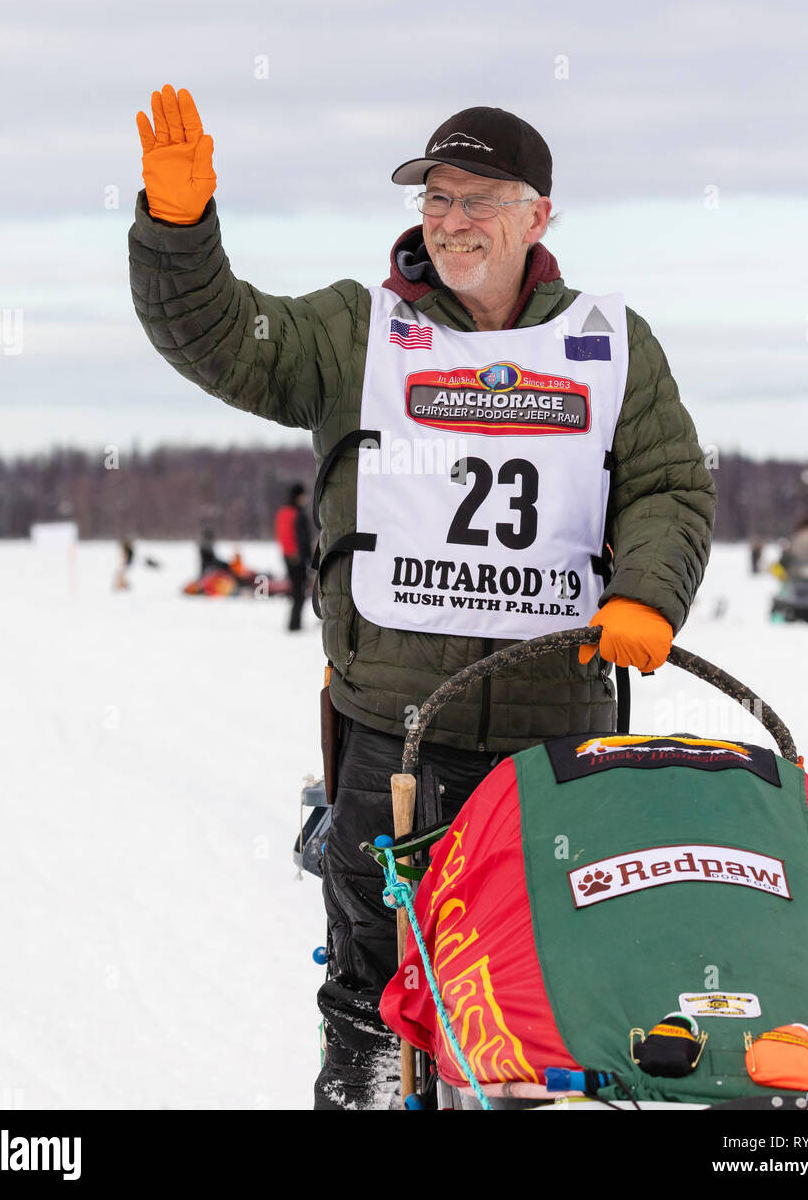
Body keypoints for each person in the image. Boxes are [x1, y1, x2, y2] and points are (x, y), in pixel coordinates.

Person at [128, 85, 716, 1109]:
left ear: (538, 214)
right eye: (436, 196)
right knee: (373, 1001)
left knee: (546, 1000)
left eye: (477, 197)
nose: (449, 220)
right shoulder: (362, 332)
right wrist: (178, 230)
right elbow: (221, 337)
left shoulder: (612, 342)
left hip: (560, 739)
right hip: (394, 736)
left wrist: (647, 596)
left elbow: (669, 483)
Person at [273, 484, 311, 631]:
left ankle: (295, 624)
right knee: (298, 593)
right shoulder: (294, 513)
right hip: (296, 558)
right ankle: (294, 625)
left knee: (298, 592)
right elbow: (296, 538)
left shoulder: (286, 512)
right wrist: (299, 556)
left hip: (291, 556)